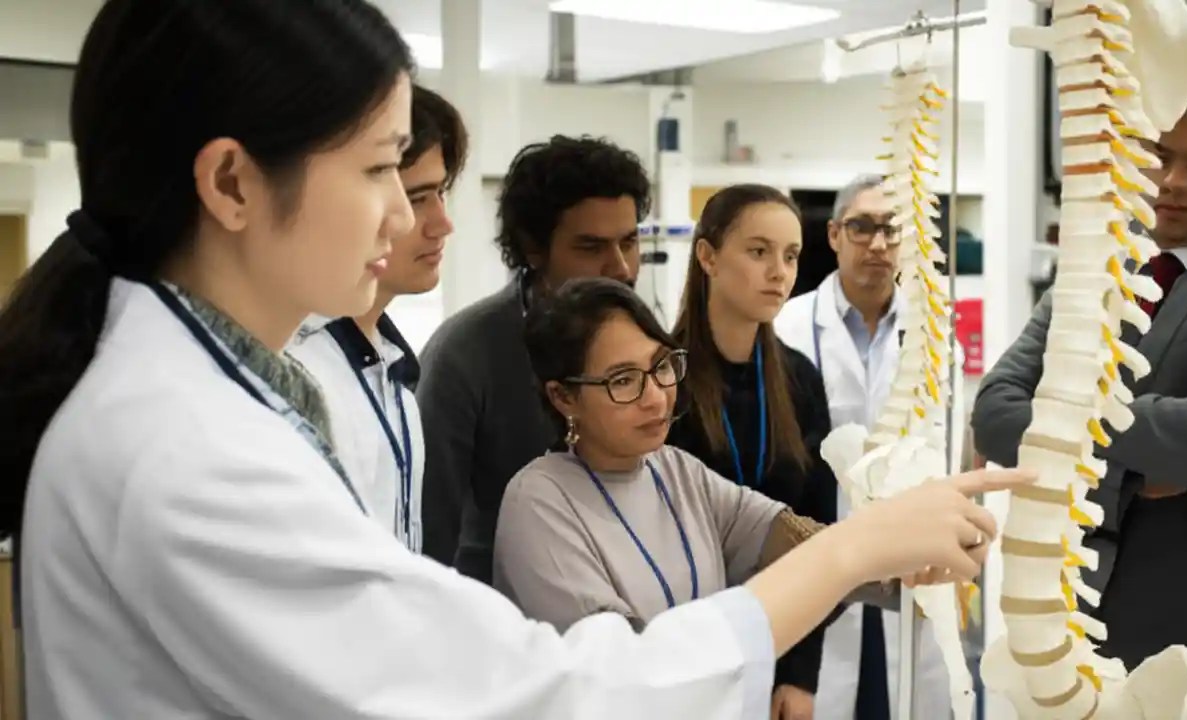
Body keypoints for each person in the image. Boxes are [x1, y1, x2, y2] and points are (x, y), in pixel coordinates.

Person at [0, 2, 1031, 718]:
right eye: (377, 169)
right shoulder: (185, 455)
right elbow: (546, 693)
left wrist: (855, 547)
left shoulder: (213, 403)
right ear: (231, 183)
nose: (407, 217)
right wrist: (849, 553)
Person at [971, 61, 1187, 670]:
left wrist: (1066, 430)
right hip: (1072, 622)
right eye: (1157, 154)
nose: (1172, 180)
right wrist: (1142, 470)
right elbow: (996, 414)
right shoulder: (1096, 271)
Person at [495, 278, 923, 638]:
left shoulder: (676, 472)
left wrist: (911, 570)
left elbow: (794, 541)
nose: (654, 397)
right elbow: (616, 667)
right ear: (563, 396)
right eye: (623, 381)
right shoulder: (539, 502)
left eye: (661, 366)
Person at [417, 135, 649, 583]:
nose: (620, 268)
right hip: (500, 618)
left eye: (628, 241)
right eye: (591, 247)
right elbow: (430, 533)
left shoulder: (643, 341)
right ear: (533, 248)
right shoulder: (464, 355)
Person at [664, 184, 841, 719]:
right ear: (708, 256)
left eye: (790, 256)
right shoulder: (662, 378)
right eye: (759, 251)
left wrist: (798, 674)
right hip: (680, 652)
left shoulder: (799, 381)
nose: (779, 273)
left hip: (776, 642)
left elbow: (818, 537)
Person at [775, 176, 949, 719]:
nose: (878, 243)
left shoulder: (933, 333)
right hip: (824, 550)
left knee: (906, 694)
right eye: (862, 227)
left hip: (912, 562)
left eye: (891, 229)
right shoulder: (788, 326)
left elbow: (945, 445)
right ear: (833, 235)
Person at [288, 84, 466, 550]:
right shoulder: (297, 374)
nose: (441, 223)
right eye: (417, 197)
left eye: (441, 193)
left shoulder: (394, 373)